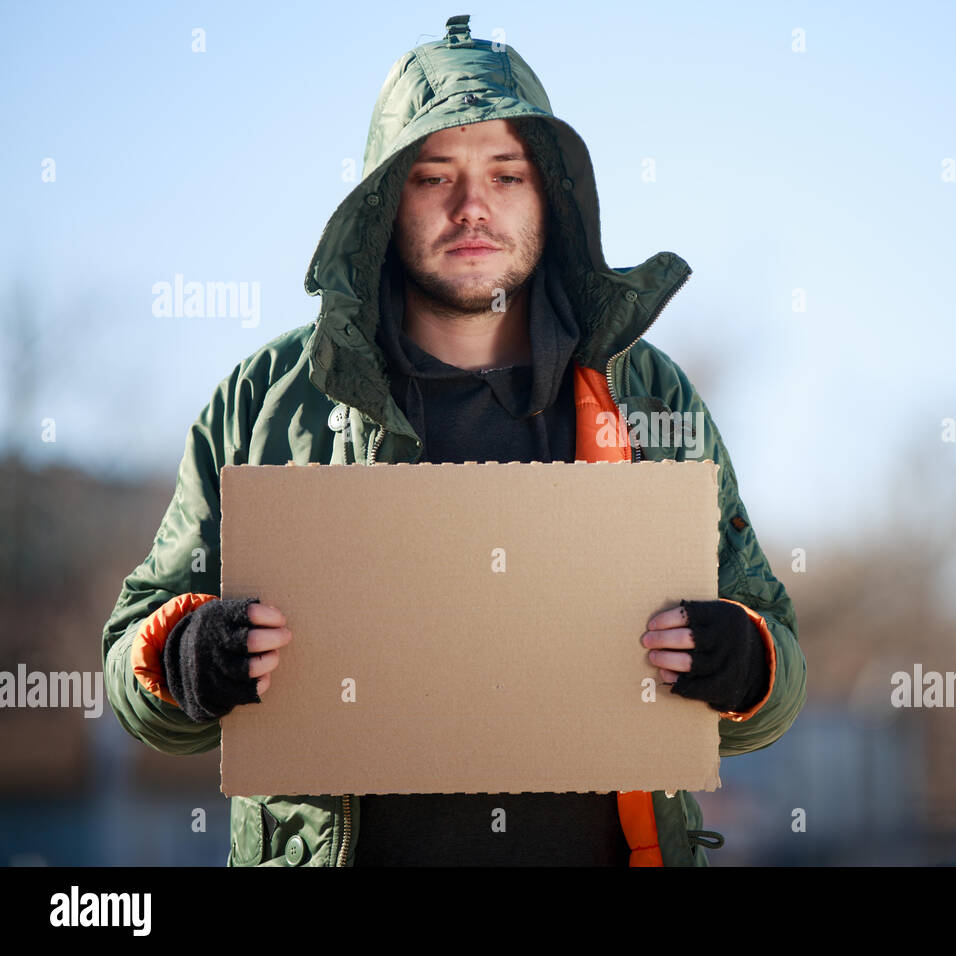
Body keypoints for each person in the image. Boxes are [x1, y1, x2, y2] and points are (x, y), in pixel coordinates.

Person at [100, 14, 806, 867]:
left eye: (505, 174)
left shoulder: (644, 392)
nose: (472, 208)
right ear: (384, 203)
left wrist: (739, 662)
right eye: (435, 177)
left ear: (550, 194)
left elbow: (774, 656)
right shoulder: (268, 403)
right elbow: (135, 667)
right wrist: (186, 657)